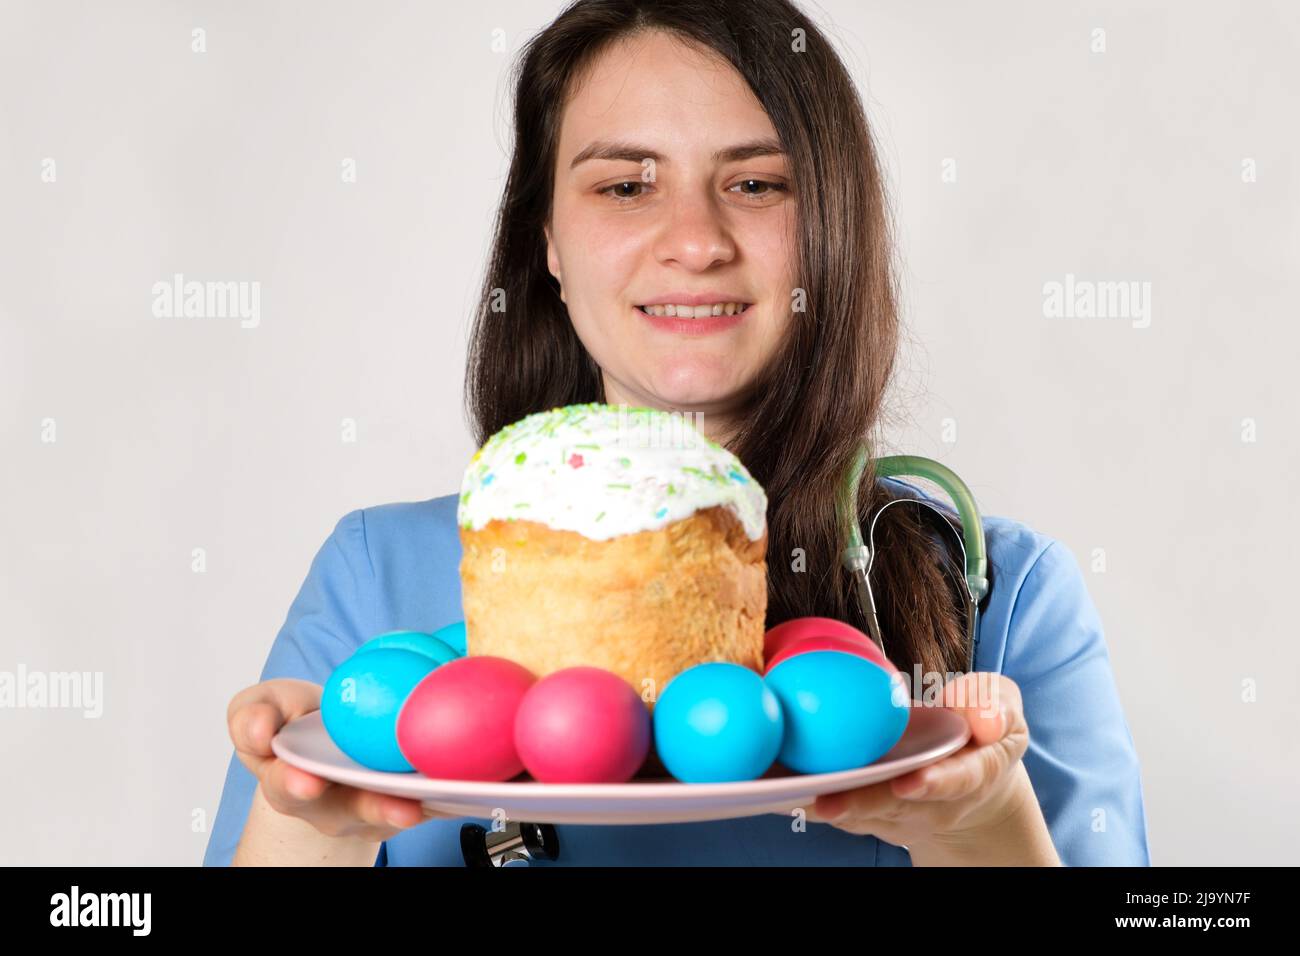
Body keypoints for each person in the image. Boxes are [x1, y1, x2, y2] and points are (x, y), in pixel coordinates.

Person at [204, 0, 1150, 867]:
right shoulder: (379, 575)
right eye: (625, 186)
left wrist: (983, 832)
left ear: (832, 228)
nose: (695, 240)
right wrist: (303, 821)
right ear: (547, 243)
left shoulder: (1006, 605)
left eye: (755, 183)